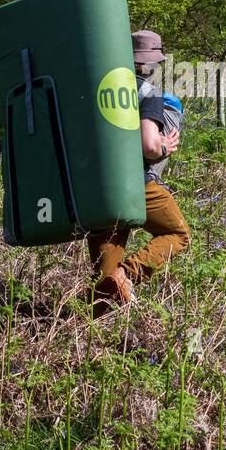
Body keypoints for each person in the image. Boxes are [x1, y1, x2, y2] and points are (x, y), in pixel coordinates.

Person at [86, 30, 190, 315]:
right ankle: (128, 275)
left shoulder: (99, 89)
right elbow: (149, 147)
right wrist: (165, 147)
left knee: (104, 292)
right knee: (178, 234)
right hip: (135, 185)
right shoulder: (147, 91)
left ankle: (91, 329)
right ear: (153, 63)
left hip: (95, 188)